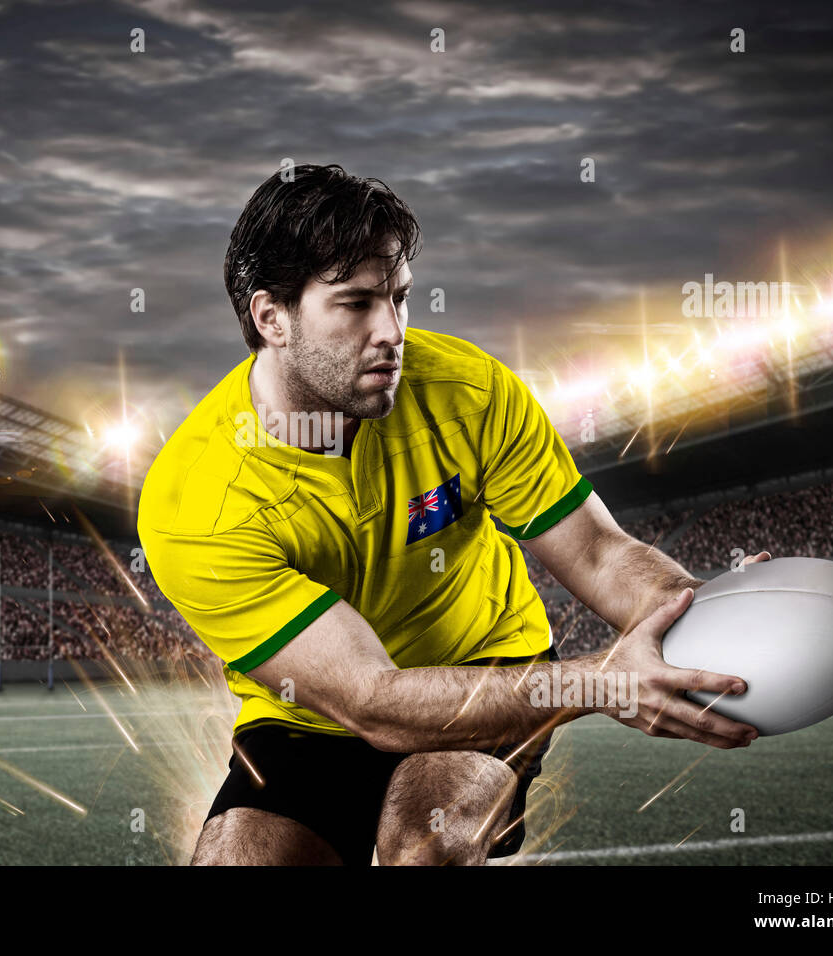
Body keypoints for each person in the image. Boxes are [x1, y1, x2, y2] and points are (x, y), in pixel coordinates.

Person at [137, 163, 765, 866]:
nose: (393, 331)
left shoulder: (469, 390)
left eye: (399, 298)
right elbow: (370, 698)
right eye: (356, 304)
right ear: (270, 317)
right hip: (316, 710)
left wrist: (704, 617)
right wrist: (603, 681)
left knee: (426, 847)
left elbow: (595, 551)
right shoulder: (194, 502)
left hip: (485, 660)